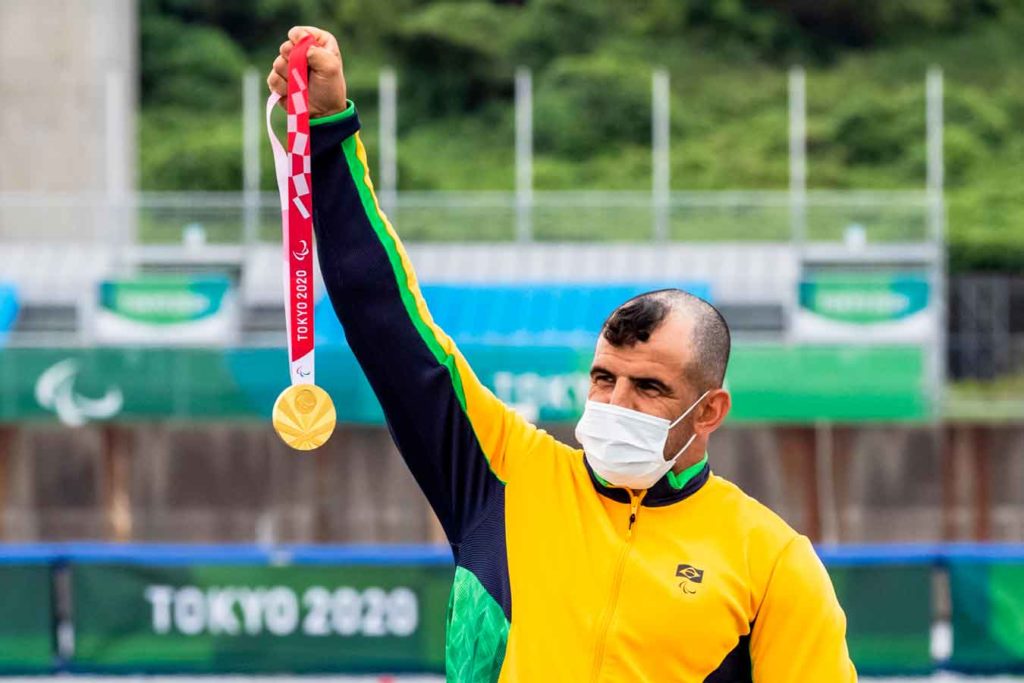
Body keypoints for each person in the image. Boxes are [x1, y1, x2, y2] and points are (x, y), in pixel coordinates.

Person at [268, 26, 857, 682]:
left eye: (649, 387)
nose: (614, 403)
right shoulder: (509, 477)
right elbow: (387, 322)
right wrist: (324, 130)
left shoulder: (773, 560)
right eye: (603, 378)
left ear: (710, 408)